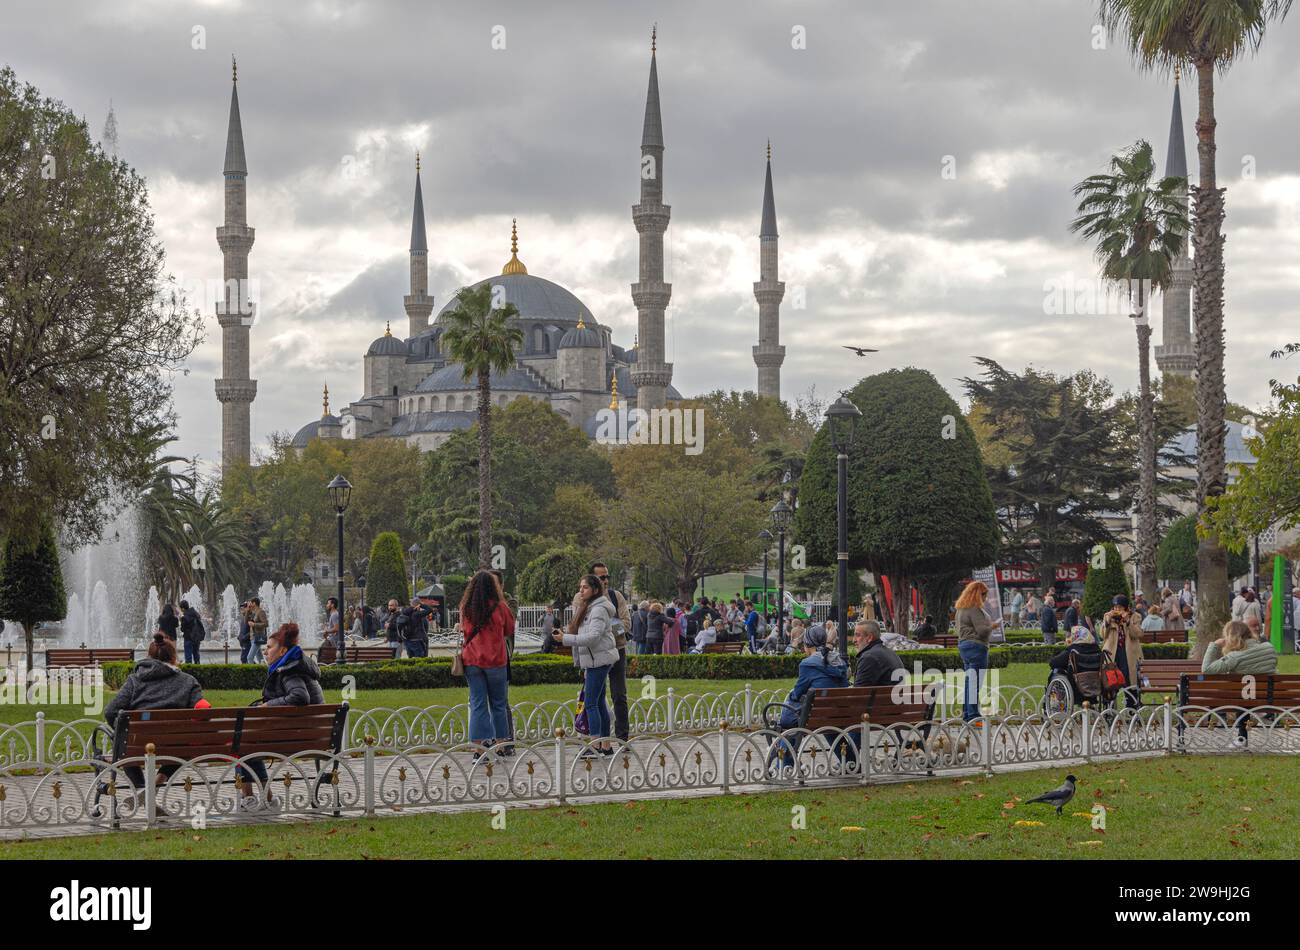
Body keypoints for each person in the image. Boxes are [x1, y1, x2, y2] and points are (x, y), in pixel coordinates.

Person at [101, 633, 205, 797]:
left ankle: (142, 788)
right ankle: (155, 785)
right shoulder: (188, 681)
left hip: (137, 745)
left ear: (149, 656)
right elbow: (201, 711)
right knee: (184, 742)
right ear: (173, 657)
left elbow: (110, 711)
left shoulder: (135, 680)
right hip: (175, 745)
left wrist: (121, 729)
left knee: (124, 739)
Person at [237, 623, 324, 804]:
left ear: (283, 650)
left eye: (269, 647)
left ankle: (253, 798)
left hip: (298, 736)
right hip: (311, 733)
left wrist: (268, 705)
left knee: (242, 742)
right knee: (245, 740)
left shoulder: (289, 670)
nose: (265, 651)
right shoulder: (293, 665)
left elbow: (300, 697)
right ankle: (258, 798)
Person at [555, 573, 618, 755]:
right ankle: (605, 745)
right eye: (580, 587)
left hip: (598, 660)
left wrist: (565, 638)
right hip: (594, 660)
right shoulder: (589, 607)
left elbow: (593, 637)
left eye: (585, 587)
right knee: (598, 703)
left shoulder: (597, 609)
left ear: (595, 590)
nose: (581, 591)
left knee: (590, 703)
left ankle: (596, 744)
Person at [460, 570, 515, 753]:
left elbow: (464, 631)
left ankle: (478, 749)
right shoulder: (501, 607)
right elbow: (509, 630)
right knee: (498, 704)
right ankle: (500, 745)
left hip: (472, 661)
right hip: (495, 661)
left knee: (478, 704)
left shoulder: (466, 607)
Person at [1204, 619, 1278, 747]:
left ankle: (1241, 738)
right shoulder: (1269, 648)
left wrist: (1215, 645)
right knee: (1246, 693)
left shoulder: (1235, 657)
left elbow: (1207, 669)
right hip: (1269, 696)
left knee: (1243, 695)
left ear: (1231, 637)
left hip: (1243, 699)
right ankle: (1242, 737)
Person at [585, 562, 631, 744]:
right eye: (601, 577)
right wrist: (609, 627)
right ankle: (600, 739)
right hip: (594, 654)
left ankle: (622, 737)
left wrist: (603, 633)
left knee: (619, 695)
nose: (605, 580)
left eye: (607, 577)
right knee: (595, 698)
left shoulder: (615, 596)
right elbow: (582, 627)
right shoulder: (582, 598)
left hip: (616, 651)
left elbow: (626, 624)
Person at [956, 580, 1001, 722]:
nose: (985, 598)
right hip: (976, 647)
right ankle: (973, 715)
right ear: (978, 594)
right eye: (984, 595)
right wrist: (993, 626)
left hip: (964, 646)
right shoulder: (974, 608)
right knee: (975, 683)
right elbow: (982, 632)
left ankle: (967, 713)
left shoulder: (961, 608)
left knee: (969, 682)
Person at [1100, 595, 1144, 707]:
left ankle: (1132, 708)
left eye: (1119, 607)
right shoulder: (1107, 616)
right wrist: (1107, 623)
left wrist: (1128, 621)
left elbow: (1138, 634)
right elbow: (1102, 635)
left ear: (1126, 607)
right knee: (1110, 682)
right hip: (1111, 654)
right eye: (1115, 607)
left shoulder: (1135, 616)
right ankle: (1109, 710)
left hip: (1128, 654)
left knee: (1129, 680)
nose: (1117, 610)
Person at [852, 620, 904, 687]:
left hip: (882, 697)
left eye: (858, 635)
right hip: (892, 696)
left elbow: (857, 693)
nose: (854, 640)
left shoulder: (869, 658)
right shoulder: (891, 653)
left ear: (870, 637)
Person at [178, 599, 204, 664]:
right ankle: (198, 670)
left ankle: (189, 671)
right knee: (196, 655)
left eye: (180, 608)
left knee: (188, 657)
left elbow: (182, 629)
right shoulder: (196, 614)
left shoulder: (185, 617)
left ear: (183, 608)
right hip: (196, 637)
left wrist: (181, 621)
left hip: (188, 638)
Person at [244, 597, 267, 664]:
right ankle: (264, 671)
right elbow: (246, 622)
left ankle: (252, 674)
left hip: (258, 637)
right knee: (260, 658)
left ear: (254, 603)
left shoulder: (261, 612)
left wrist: (254, 624)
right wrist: (247, 611)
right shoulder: (254, 612)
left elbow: (265, 624)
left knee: (249, 657)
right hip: (253, 637)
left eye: (250, 603)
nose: (249, 604)